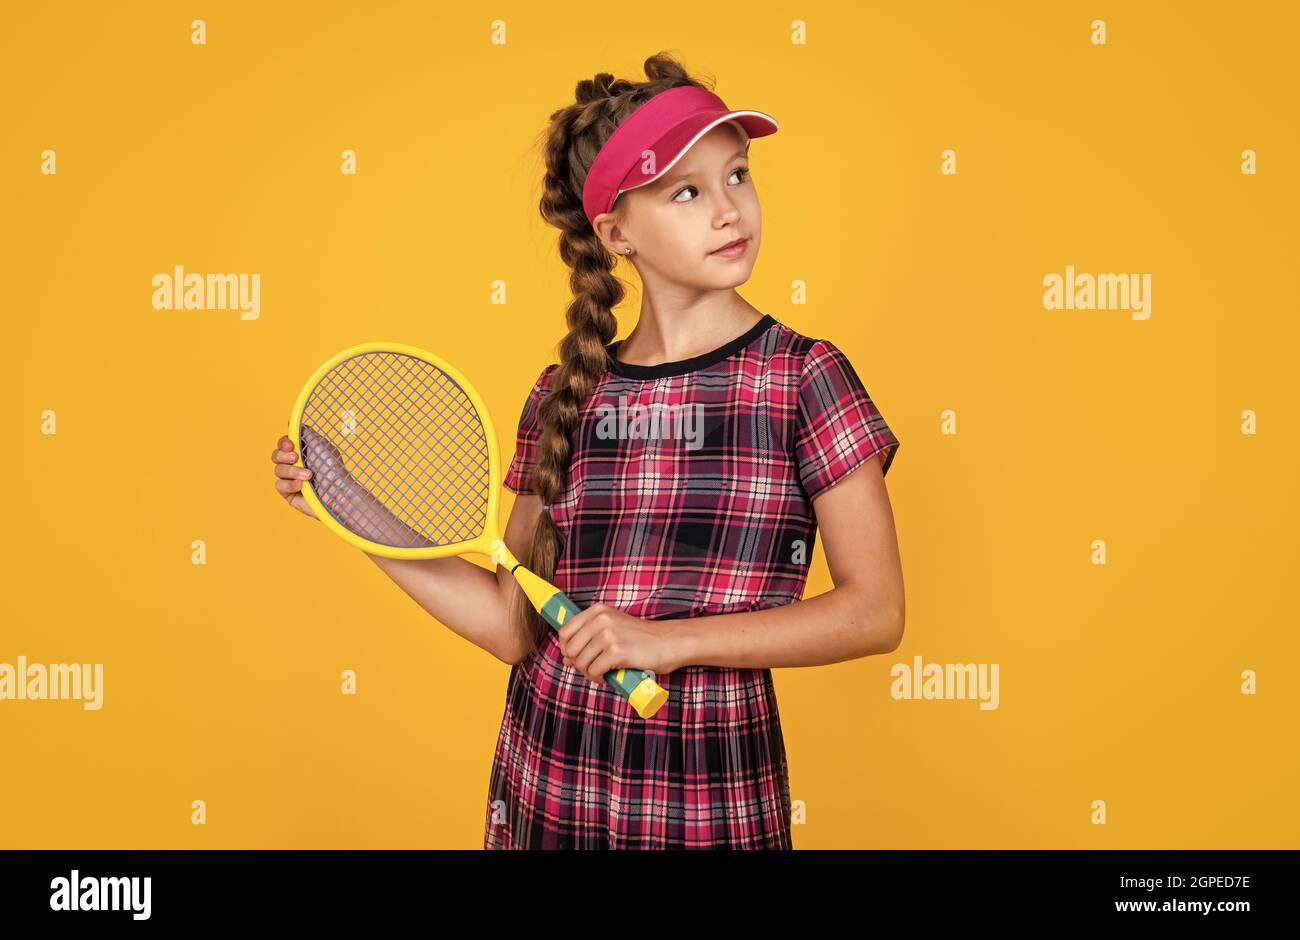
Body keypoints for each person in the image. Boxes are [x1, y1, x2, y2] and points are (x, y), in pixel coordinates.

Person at [271, 51, 905, 849]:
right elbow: (513, 623)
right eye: (687, 190)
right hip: (546, 794)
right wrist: (346, 507)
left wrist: (668, 642)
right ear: (615, 232)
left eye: (738, 174)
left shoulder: (803, 378)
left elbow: (876, 612)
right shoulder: (562, 393)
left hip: (703, 810)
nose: (729, 209)